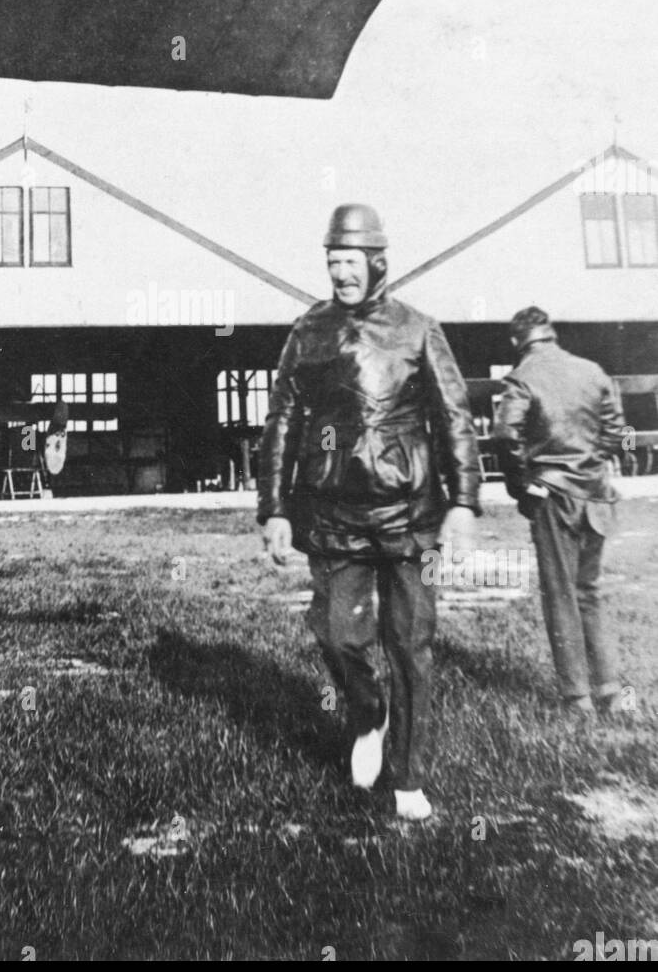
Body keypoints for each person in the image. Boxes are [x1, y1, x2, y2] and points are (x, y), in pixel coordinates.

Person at [257, 204, 480, 821]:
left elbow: (454, 418)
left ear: (377, 262)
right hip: (332, 516)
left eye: (351, 262)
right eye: (333, 263)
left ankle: (407, 776)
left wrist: (462, 502)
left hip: (412, 517)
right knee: (335, 635)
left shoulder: (419, 329)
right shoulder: (308, 332)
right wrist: (273, 508)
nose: (341, 274)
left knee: (410, 645)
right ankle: (367, 716)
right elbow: (281, 424)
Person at [492, 306, 626, 716]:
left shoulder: (521, 378)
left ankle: (577, 699)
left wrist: (522, 486)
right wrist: (591, 465)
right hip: (597, 496)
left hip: (553, 496)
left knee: (561, 595)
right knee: (589, 593)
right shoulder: (593, 371)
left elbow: (503, 434)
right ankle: (612, 692)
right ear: (550, 334)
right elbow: (618, 431)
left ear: (518, 341)